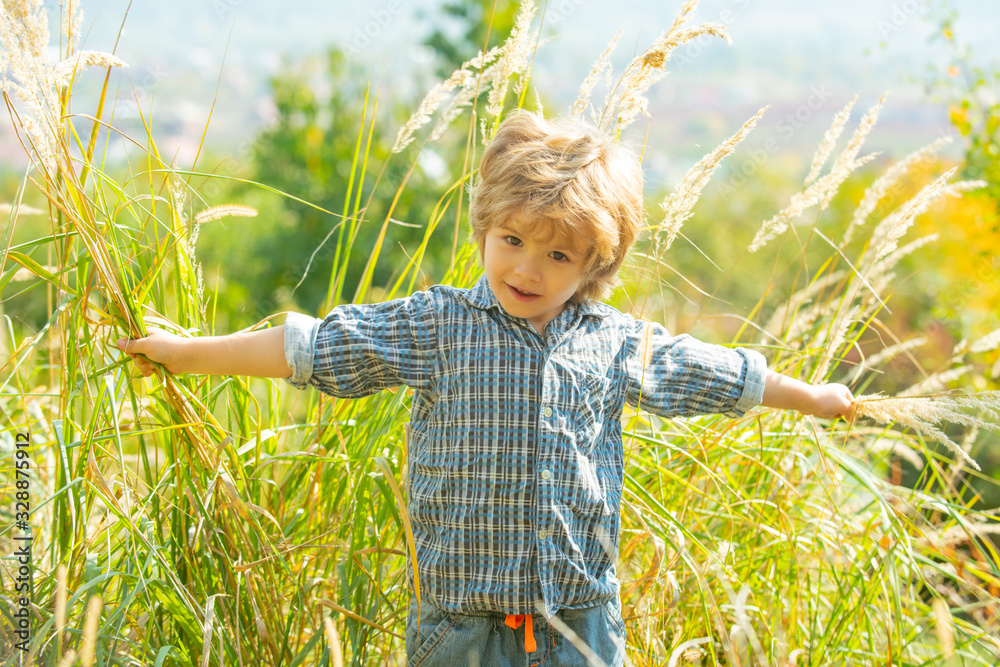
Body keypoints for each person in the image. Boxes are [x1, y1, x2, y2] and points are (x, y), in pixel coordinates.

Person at [117, 110, 855, 666]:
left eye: (557, 253)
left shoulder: (614, 341)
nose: (527, 269)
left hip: (579, 626)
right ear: (485, 227)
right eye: (512, 240)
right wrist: (186, 353)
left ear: (593, 264)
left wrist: (813, 396)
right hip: (459, 626)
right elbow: (312, 349)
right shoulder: (437, 324)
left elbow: (715, 372)